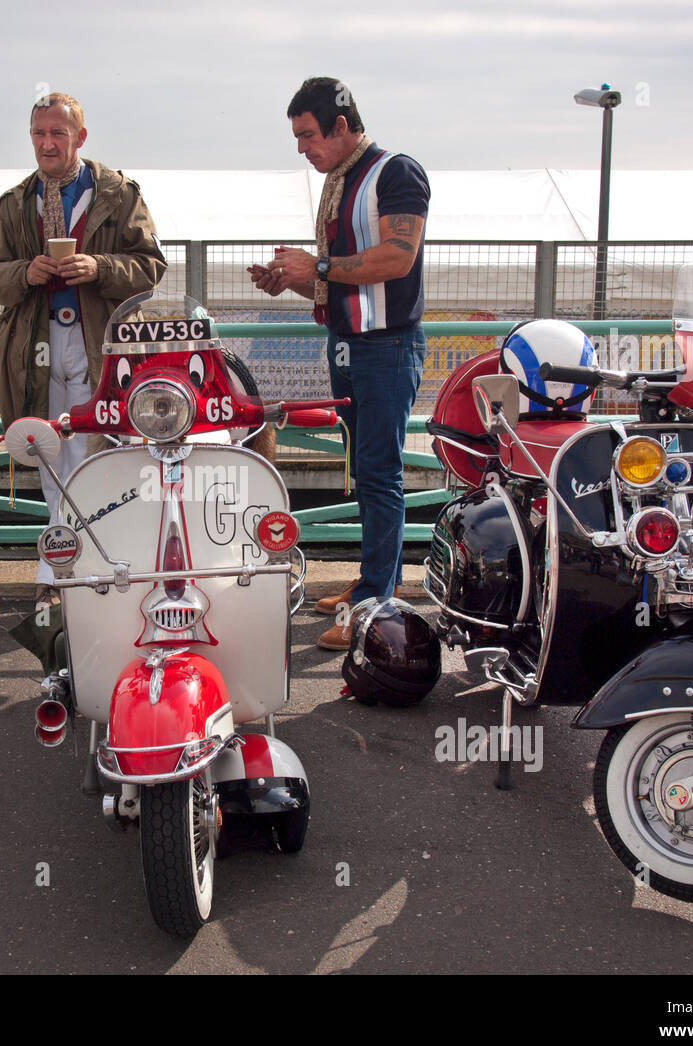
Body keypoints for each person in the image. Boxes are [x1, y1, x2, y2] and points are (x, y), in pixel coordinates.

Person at [251, 76, 430, 650]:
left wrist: (318, 269)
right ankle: (370, 584)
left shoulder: (395, 171)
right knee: (366, 470)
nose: (302, 148)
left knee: (379, 474)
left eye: (308, 136)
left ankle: (378, 600)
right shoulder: (341, 180)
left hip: (386, 346)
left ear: (342, 127)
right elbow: (345, 281)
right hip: (352, 343)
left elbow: (397, 261)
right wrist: (295, 282)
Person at [0, 91, 166, 606]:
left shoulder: (119, 195)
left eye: (58, 133)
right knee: (51, 456)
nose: (47, 143)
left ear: (80, 137)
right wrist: (24, 272)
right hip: (33, 351)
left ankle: (94, 566)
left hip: (102, 345)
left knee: (107, 455)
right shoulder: (12, 204)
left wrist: (99, 269)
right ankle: (60, 572)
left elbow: (151, 266)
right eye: (39, 133)